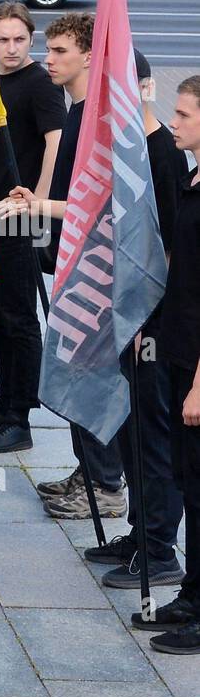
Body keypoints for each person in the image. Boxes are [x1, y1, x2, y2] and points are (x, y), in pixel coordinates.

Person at [0, 12, 126, 521]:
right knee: (77, 373)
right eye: (47, 50)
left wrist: (39, 208)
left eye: (59, 52)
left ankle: (107, 484)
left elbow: (105, 208)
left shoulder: (100, 117)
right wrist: (40, 197)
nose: (46, 60)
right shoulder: (76, 109)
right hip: (79, 264)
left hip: (101, 272)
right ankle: (89, 473)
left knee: (94, 376)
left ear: (90, 57)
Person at [97, 51, 189, 590]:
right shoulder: (131, 150)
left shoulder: (163, 155)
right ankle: (139, 531)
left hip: (154, 323)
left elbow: (171, 250)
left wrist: (144, 320)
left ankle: (160, 549)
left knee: (154, 436)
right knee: (133, 431)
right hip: (131, 314)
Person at [0, 2, 66, 453]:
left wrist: (37, 202)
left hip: (17, 217)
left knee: (21, 317)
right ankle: (4, 403)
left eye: (19, 39)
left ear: (31, 39)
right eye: (2, 40)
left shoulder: (39, 84)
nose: (11, 47)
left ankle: (21, 418)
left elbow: (55, 141)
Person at [144, 75, 200, 653]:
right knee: (190, 479)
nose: (174, 122)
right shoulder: (189, 177)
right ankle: (192, 591)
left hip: (198, 368)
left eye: (184, 114)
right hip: (178, 350)